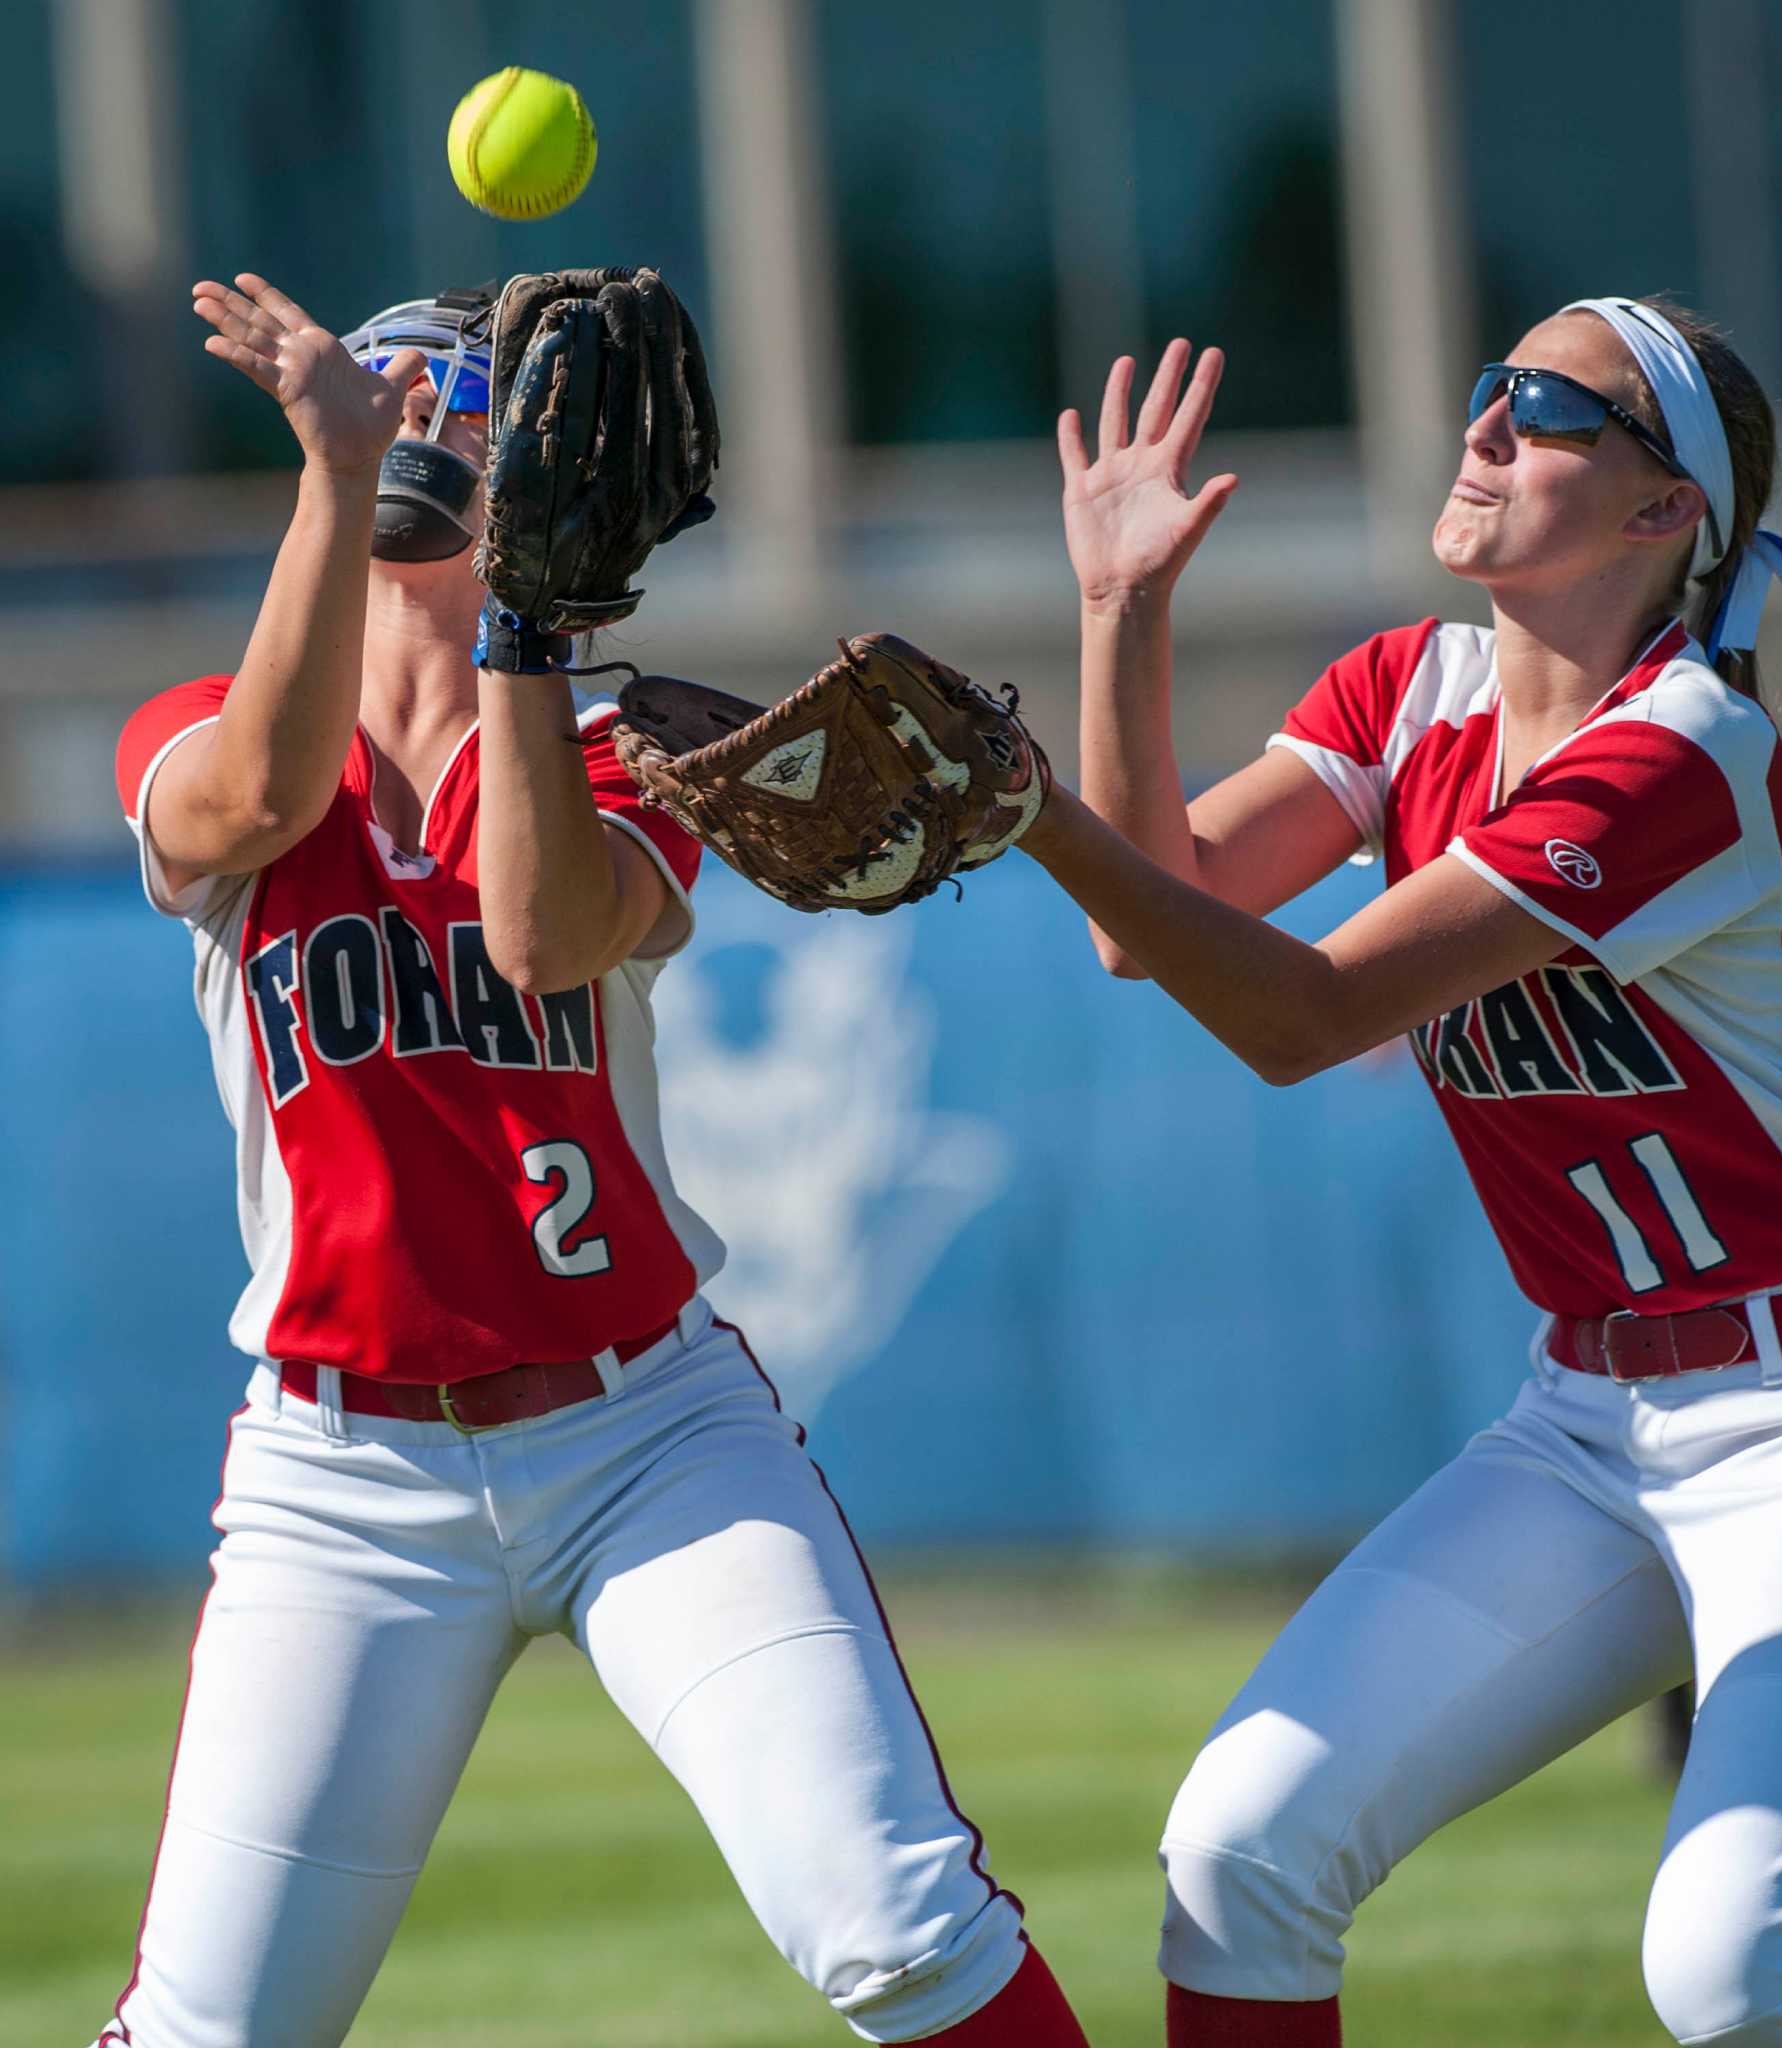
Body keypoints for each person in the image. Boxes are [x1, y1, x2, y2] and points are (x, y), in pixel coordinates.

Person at [95, 272, 1090, 2048]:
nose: (413, 424)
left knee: (898, 1927)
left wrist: (531, 639)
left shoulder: (617, 739)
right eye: (381, 392)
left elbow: (546, 937)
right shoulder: (192, 721)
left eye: (460, 407)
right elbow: (251, 803)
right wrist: (338, 478)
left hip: (645, 1436)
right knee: (207, 2030)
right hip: (344, 1475)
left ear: (547, 472)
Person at [1020, 297, 1782, 2047]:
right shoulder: (1408, 689)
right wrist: (1119, 611)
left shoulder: (1685, 753)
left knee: (1745, 1978)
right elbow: (1161, 926)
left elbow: (1303, 1012)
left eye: (1550, 406)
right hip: (1592, 1413)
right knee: (1241, 1852)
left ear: (1669, 514)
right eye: (1486, 390)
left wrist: (1022, 807)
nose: (1487, 424)